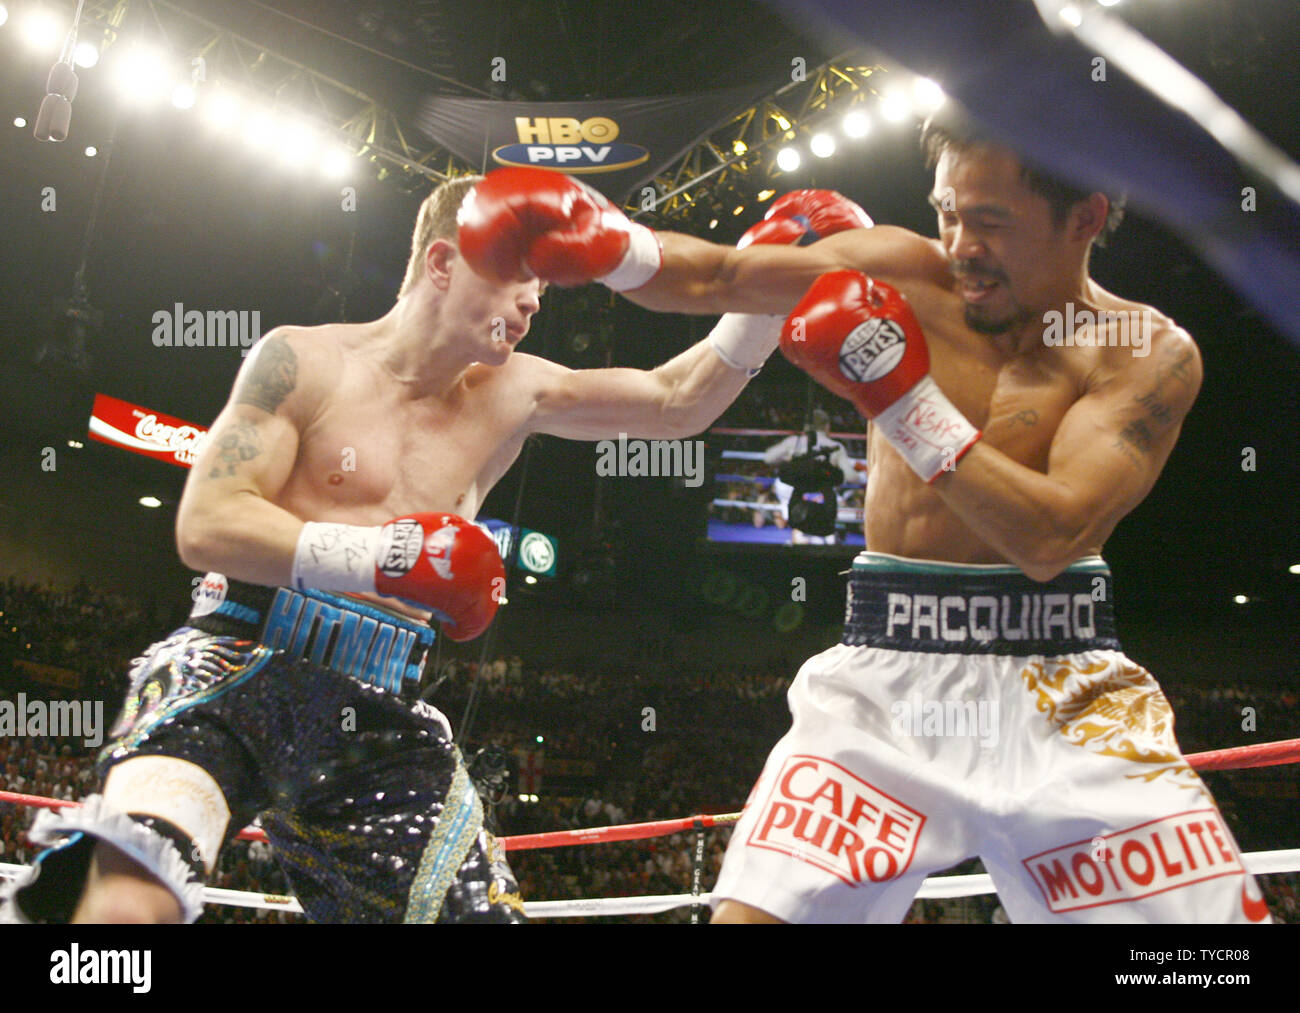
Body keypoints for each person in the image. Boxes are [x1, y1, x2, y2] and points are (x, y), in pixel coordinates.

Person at [454, 113, 1271, 923]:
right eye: (947, 211)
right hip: (887, 682)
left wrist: (898, 395)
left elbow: (1050, 536)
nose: (960, 243)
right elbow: (715, 276)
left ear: (1086, 216)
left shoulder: (1145, 352)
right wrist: (604, 242)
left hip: (1070, 694)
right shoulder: (903, 273)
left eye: (990, 221)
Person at [0, 173, 803, 925]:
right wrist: (384, 555)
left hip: (380, 708)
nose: (531, 300)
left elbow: (677, 401)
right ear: (443, 261)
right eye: (518, 274)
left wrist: (770, 289)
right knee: (134, 892)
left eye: (543, 288)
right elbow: (207, 522)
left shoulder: (515, 390)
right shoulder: (303, 359)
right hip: (237, 662)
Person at [762, 408, 863, 544]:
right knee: (829, 498)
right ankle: (820, 538)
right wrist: (863, 476)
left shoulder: (794, 441)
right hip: (820, 489)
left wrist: (790, 457)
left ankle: (800, 535)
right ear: (827, 426)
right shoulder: (834, 446)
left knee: (797, 504)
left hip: (794, 488)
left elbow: (768, 458)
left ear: (807, 426)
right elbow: (851, 477)